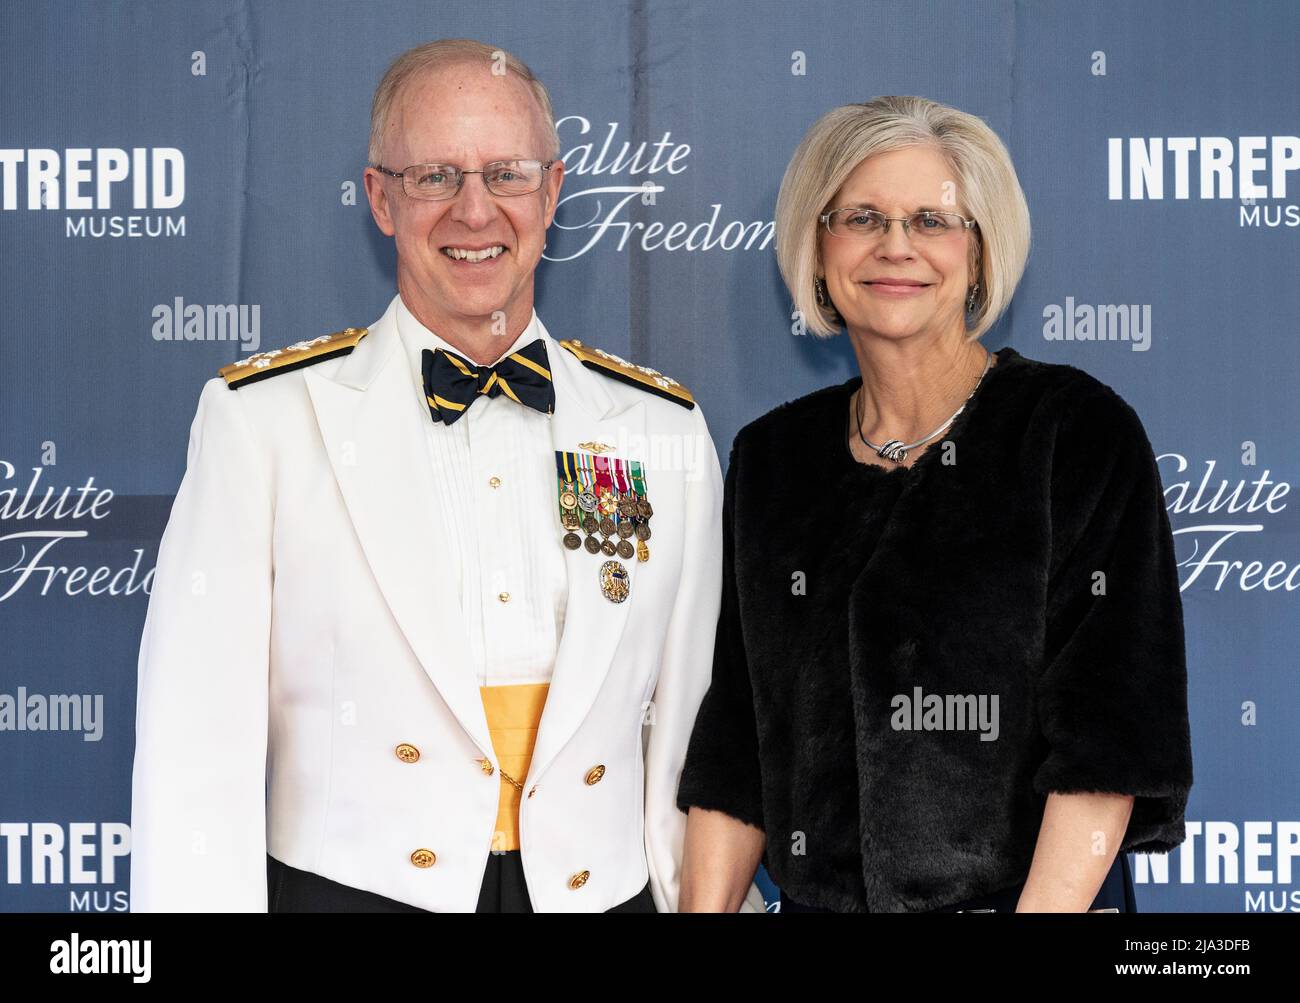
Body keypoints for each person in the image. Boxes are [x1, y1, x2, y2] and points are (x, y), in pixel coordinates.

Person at [129, 37, 764, 914]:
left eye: (507, 174)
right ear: (380, 199)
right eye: (435, 177)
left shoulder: (662, 430)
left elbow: (695, 726)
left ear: (553, 191)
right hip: (346, 895)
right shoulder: (262, 421)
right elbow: (194, 748)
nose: (475, 211)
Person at [675, 95, 1194, 913]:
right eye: (861, 218)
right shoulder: (772, 459)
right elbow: (738, 739)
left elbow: (1109, 746)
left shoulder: (1074, 433)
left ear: (981, 253)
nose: (896, 246)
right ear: (817, 248)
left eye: (932, 219)